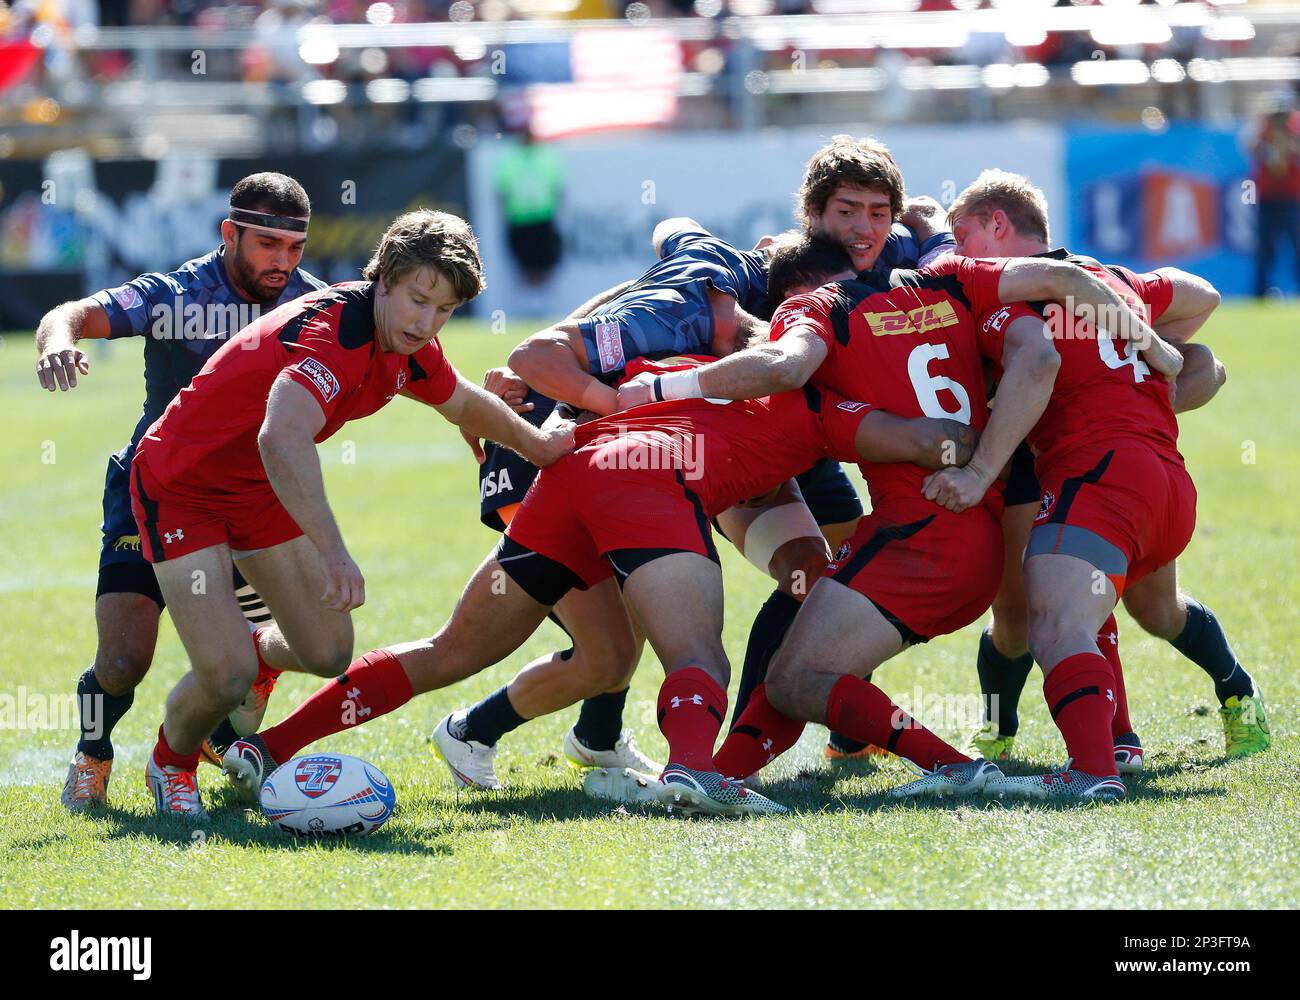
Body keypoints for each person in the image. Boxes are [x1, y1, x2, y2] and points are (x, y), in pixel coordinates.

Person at [221, 336, 977, 817]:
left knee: (455, 650)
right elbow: (917, 438)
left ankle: (269, 746)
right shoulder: (822, 402)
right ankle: (691, 774)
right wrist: (988, 445)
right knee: (697, 657)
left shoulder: (691, 365)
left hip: (570, 476)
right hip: (647, 484)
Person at [618, 229, 1181, 801]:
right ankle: (721, 777)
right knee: (802, 668)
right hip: (978, 519)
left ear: (792, 289)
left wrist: (665, 385)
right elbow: (1078, 292)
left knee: (798, 673)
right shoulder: (947, 281)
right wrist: (1162, 355)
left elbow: (787, 368)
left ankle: (963, 767)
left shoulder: (814, 308)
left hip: (925, 528)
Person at [132, 209, 573, 819]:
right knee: (227, 677)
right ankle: (171, 764)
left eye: (443, 310)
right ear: (385, 277)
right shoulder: (336, 336)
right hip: (182, 485)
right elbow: (280, 437)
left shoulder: (404, 341)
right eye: (419, 300)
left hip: (260, 490)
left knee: (329, 649)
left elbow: (461, 400)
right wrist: (334, 553)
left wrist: (539, 446)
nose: (427, 322)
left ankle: (254, 652)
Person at [947, 170, 1268, 768]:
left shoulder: (1005, 296)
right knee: (1154, 611)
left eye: (961, 235)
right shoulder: (1116, 280)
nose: (956, 252)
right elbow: (1203, 296)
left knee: (1049, 617)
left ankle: (1099, 759)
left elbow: (1040, 364)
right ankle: (1240, 699)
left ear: (997, 225)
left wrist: (977, 470)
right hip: (1159, 477)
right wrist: (1143, 368)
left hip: (1094, 475)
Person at [37, 172, 327, 812]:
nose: (281, 264)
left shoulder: (311, 308)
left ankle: (207, 738)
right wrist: (59, 342)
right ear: (230, 234)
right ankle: (93, 752)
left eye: (293, 249)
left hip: (250, 500)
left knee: (276, 663)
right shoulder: (179, 293)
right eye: (265, 246)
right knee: (122, 661)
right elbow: (74, 314)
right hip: (153, 490)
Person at [1248, 106, 1300, 299]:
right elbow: (1250, 148)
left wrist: (1287, 137)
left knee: (1297, 247)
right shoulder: (1263, 131)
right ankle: (1261, 292)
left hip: (1291, 199)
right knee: (1265, 249)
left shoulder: (1295, 129)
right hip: (1268, 199)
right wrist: (1267, 134)